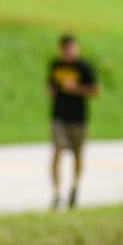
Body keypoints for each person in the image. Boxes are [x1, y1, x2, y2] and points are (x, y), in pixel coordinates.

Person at [45, 33, 99, 209]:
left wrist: (75, 89)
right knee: (57, 150)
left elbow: (95, 90)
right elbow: (50, 86)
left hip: (78, 118)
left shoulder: (84, 67)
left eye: (71, 48)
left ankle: (74, 187)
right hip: (59, 116)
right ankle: (56, 193)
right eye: (66, 49)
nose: (69, 52)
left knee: (78, 154)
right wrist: (51, 90)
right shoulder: (56, 66)